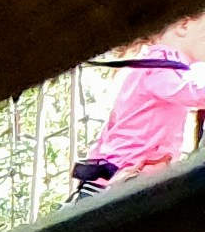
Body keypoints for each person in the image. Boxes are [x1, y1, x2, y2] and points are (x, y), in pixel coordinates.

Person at [73, 19, 205, 195]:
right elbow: (188, 93)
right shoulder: (159, 62)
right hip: (121, 177)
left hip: (123, 174)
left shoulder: (159, 64)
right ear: (184, 26)